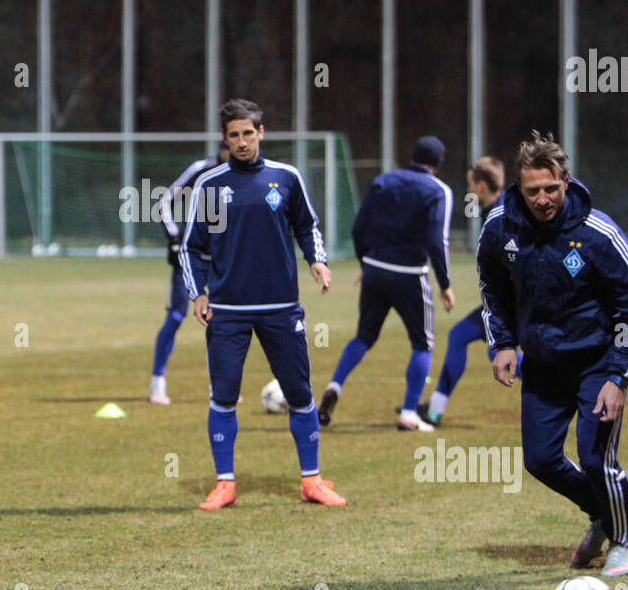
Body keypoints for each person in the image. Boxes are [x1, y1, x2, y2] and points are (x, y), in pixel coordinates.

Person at [477, 132, 628, 578]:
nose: (542, 199)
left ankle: (623, 539)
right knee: (540, 460)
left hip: (598, 362)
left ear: (567, 181)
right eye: (532, 190)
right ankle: (601, 515)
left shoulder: (598, 233)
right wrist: (502, 343)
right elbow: (492, 288)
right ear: (519, 187)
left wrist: (619, 377)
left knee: (597, 460)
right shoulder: (500, 227)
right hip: (543, 365)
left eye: (551, 189)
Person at [180, 98, 344, 509]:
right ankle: (225, 484)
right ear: (225, 138)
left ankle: (312, 481)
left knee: (300, 393)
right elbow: (191, 248)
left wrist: (317, 261)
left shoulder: (285, 179)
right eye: (233, 135)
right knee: (223, 397)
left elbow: (308, 226)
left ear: (262, 132)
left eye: (248, 134)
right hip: (228, 310)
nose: (241, 142)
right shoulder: (211, 185)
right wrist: (198, 293)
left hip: (281, 306)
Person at [317, 136, 454, 433]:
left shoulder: (383, 181)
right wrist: (445, 284)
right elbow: (436, 241)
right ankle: (408, 412)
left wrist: (366, 262)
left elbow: (358, 227)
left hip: (376, 268)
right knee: (423, 343)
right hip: (410, 273)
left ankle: (335, 386)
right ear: (437, 166)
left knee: (364, 336)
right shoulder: (439, 190)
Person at [419, 156, 523, 425]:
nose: (467, 192)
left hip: (516, 304)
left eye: (469, 185)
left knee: (496, 352)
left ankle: (559, 384)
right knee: (459, 335)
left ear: (480, 186)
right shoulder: (493, 211)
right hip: (504, 303)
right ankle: (434, 410)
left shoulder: (504, 217)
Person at [149, 142, 229, 404]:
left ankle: (222, 387)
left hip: (224, 260)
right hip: (191, 258)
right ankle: (157, 383)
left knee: (224, 321)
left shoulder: (245, 175)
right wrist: (174, 237)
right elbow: (164, 203)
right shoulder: (201, 170)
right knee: (176, 315)